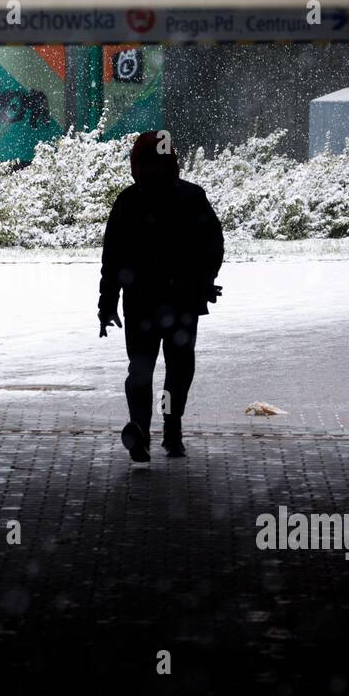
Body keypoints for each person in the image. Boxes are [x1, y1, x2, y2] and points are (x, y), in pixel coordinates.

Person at [98, 131, 224, 461]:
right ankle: (171, 428)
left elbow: (112, 259)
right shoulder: (192, 197)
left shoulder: (128, 201)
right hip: (183, 303)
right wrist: (205, 281)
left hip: (141, 305)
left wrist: (107, 304)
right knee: (177, 371)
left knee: (141, 371)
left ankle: (141, 427)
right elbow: (213, 246)